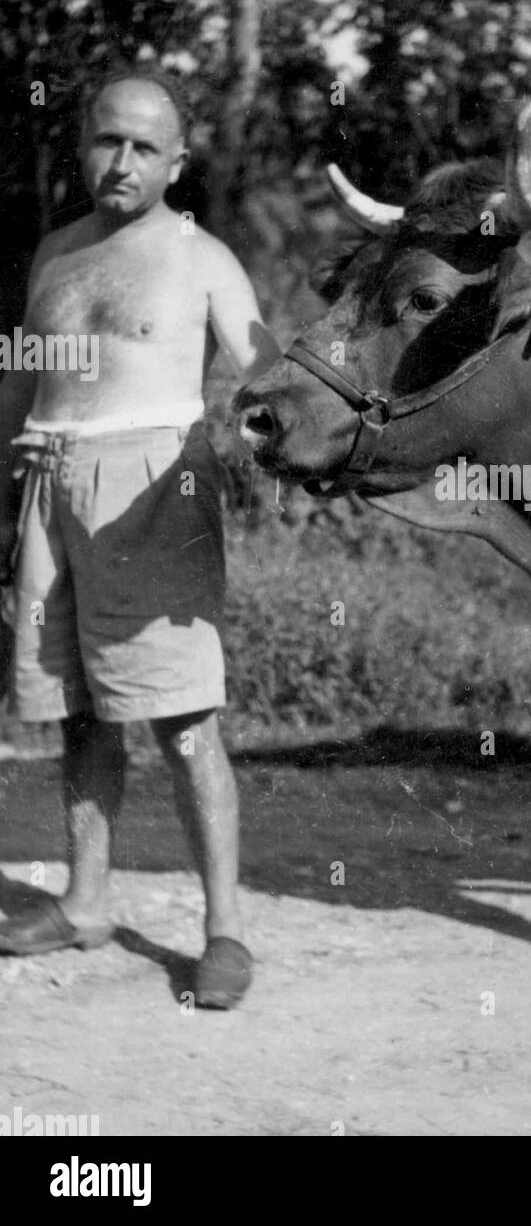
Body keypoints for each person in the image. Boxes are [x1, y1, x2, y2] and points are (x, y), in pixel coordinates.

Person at [0, 67, 280, 1008]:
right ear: (83, 144)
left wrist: (238, 451)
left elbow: (269, 382)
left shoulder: (202, 257)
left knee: (184, 719)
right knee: (78, 711)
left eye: (143, 148)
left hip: (154, 488)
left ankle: (225, 932)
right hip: (49, 486)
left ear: (176, 163)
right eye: (105, 141)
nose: (120, 162)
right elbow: (20, 386)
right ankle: (84, 902)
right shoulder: (55, 252)